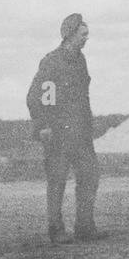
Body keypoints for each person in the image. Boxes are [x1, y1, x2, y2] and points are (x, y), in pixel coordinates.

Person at [26, 13, 105, 243]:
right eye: (83, 34)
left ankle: (85, 227)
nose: (86, 38)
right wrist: (43, 125)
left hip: (80, 132)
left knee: (90, 175)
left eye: (86, 34)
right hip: (58, 133)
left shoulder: (80, 60)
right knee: (57, 179)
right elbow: (35, 97)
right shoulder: (52, 61)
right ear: (70, 35)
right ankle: (56, 230)